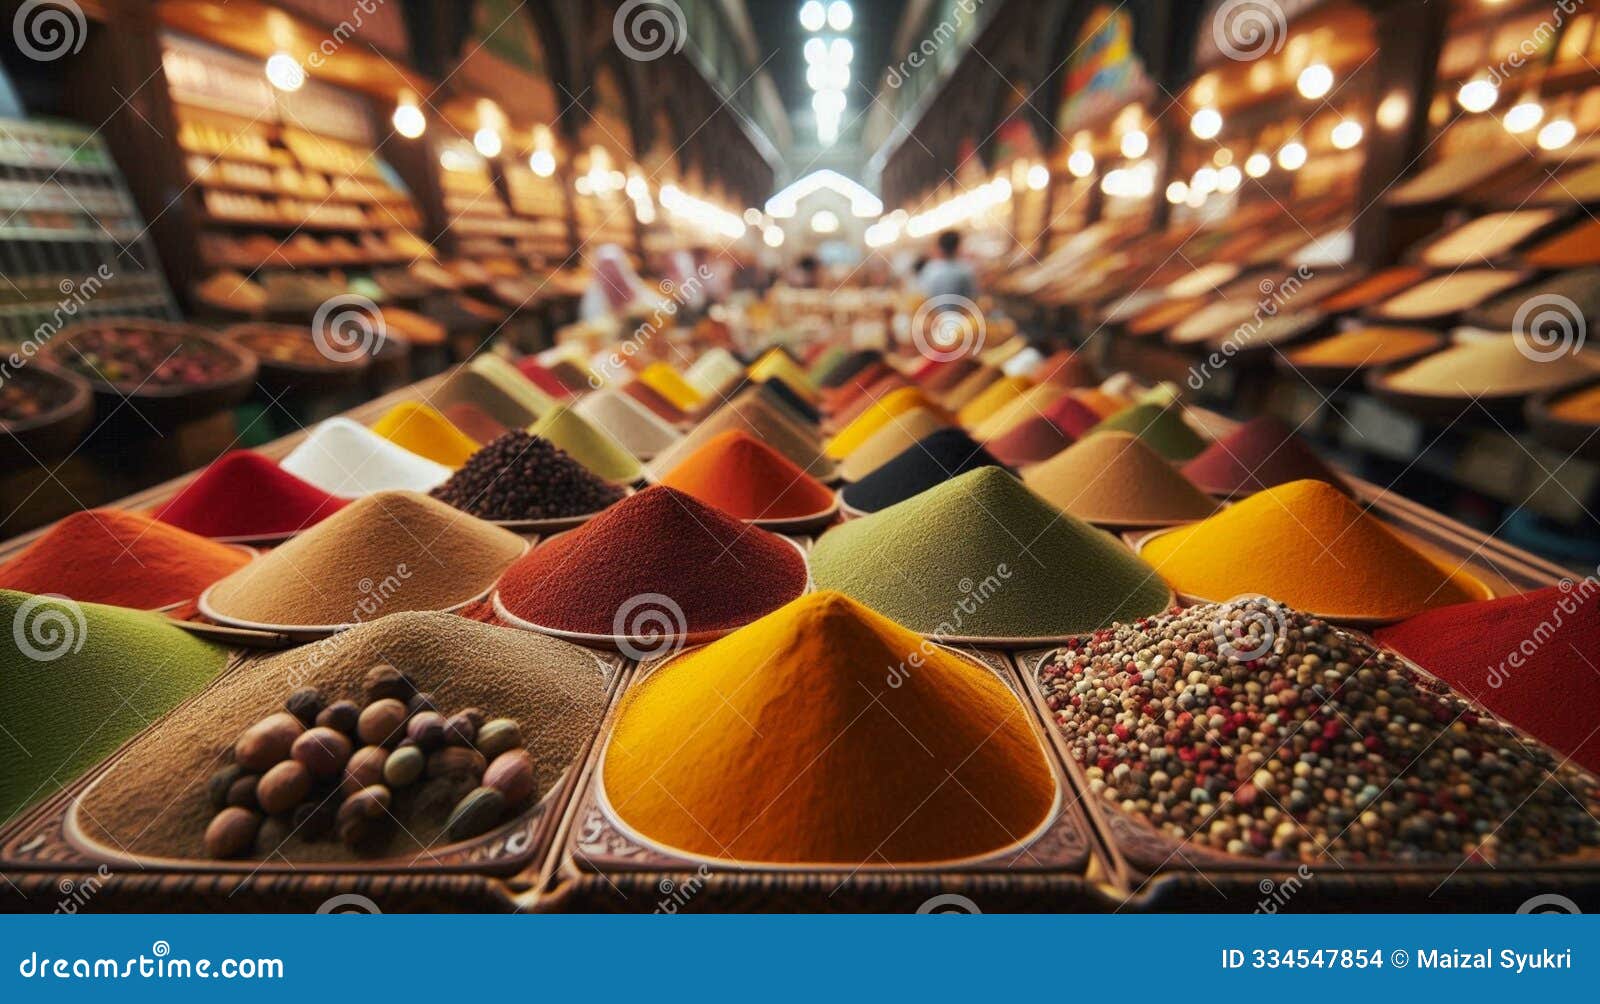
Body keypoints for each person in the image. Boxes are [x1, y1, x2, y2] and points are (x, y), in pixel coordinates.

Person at [917, 230, 977, 301]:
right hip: (959, 311)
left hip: (932, 311)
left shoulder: (930, 269)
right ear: (958, 247)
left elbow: (922, 294)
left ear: (940, 247)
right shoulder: (964, 271)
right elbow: (972, 297)